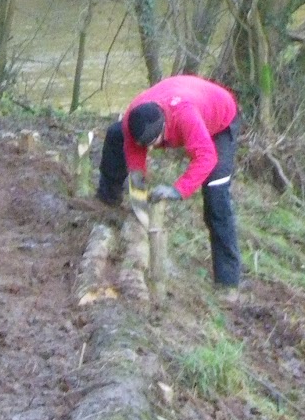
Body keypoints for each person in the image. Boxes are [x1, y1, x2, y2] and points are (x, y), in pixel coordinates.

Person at [97, 74, 241, 291]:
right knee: (115, 134)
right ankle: (107, 201)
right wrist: (138, 192)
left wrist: (177, 189)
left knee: (215, 193)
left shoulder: (185, 116)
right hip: (184, 95)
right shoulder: (132, 118)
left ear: (164, 128)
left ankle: (228, 282)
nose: (151, 149)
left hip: (219, 118)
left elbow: (206, 157)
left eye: (153, 143)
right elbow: (135, 157)